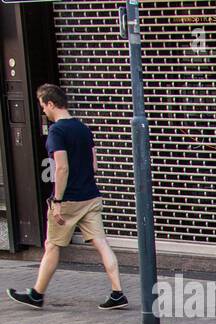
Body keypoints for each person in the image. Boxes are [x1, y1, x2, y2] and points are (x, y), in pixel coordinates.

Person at [7, 83, 127, 311]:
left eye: (43, 106)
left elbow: (61, 168)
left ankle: (36, 294)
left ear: (51, 103)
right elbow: (94, 165)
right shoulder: (83, 128)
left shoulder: (57, 131)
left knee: (52, 245)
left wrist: (58, 202)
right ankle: (117, 292)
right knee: (102, 244)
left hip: (69, 200)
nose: (43, 111)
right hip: (91, 196)